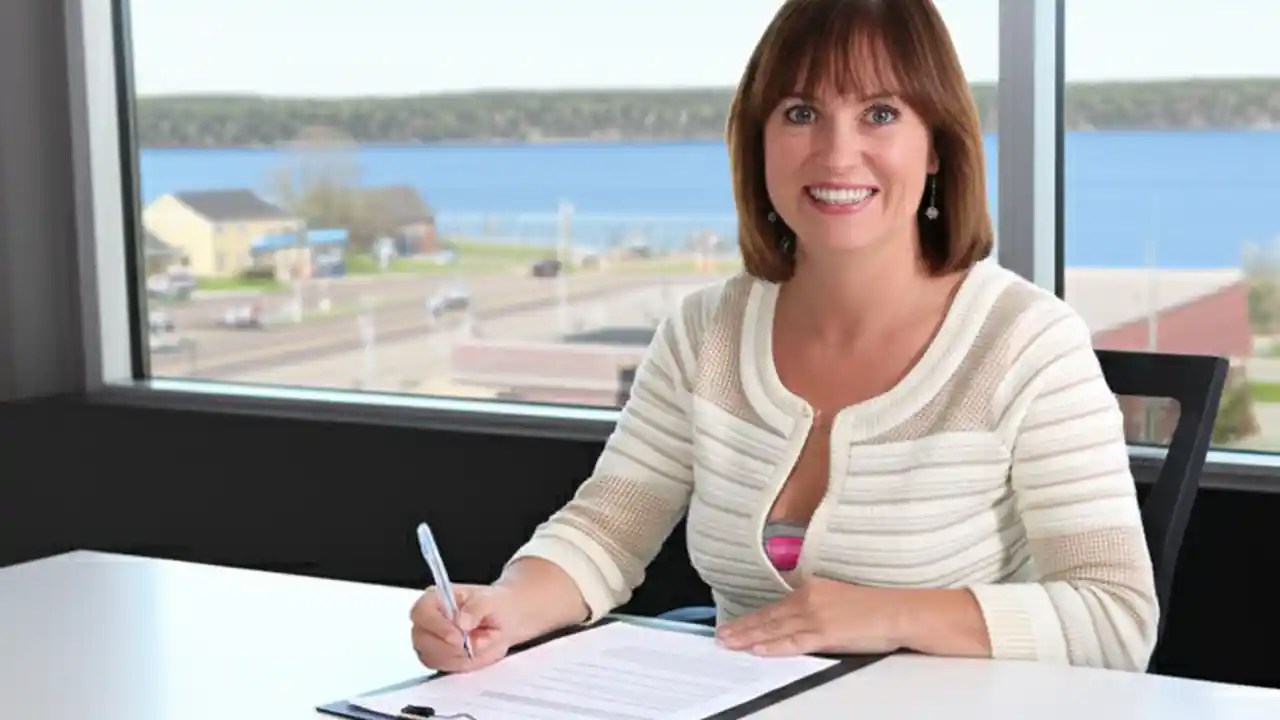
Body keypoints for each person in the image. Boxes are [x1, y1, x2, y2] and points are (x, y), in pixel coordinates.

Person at [411, 0, 1158, 674]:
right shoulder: (706, 331)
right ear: (760, 141)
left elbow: (1115, 617)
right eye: (801, 113)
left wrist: (890, 614)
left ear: (937, 147)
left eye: (881, 113)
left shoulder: (1028, 343)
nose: (836, 154)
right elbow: (606, 532)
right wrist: (502, 608)